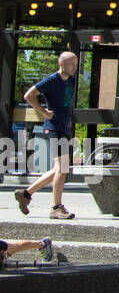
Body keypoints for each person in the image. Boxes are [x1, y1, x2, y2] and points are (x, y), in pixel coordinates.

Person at [13, 51, 79, 220]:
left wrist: (69, 119)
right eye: (72, 64)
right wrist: (43, 112)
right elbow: (29, 95)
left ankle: (25, 194)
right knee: (62, 168)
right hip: (54, 127)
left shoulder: (71, 81)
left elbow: (65, 103)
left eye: (76, 64)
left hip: (64, 127)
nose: (75, 67)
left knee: (58, 169)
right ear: (61, 64)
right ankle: (56, 208)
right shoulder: (51, 80)